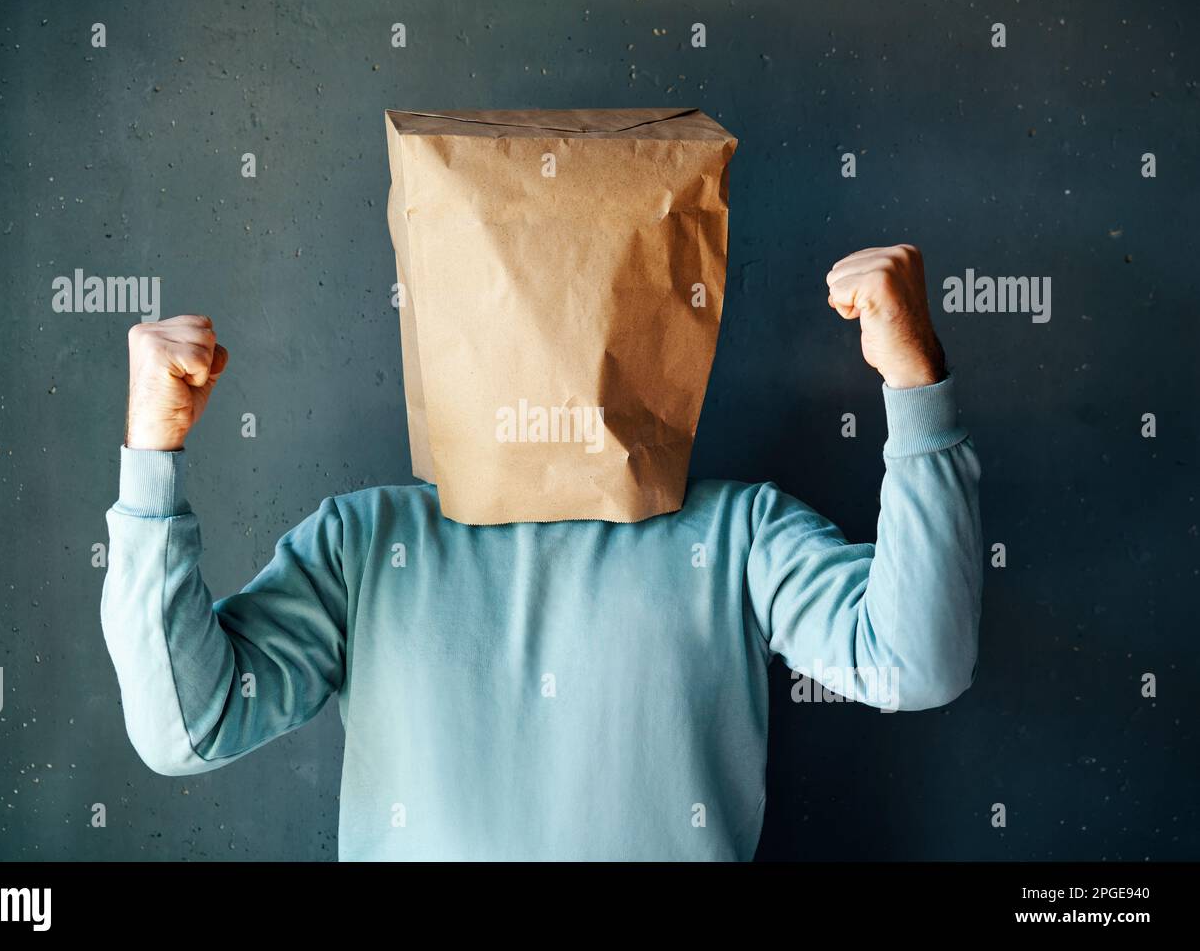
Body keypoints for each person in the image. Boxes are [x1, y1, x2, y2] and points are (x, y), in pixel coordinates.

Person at [100, 243, 982, 860]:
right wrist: (150, 455)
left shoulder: (740, 536)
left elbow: (915, 662)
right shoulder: (363, 545)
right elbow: (189, 727)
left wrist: (915, 383)